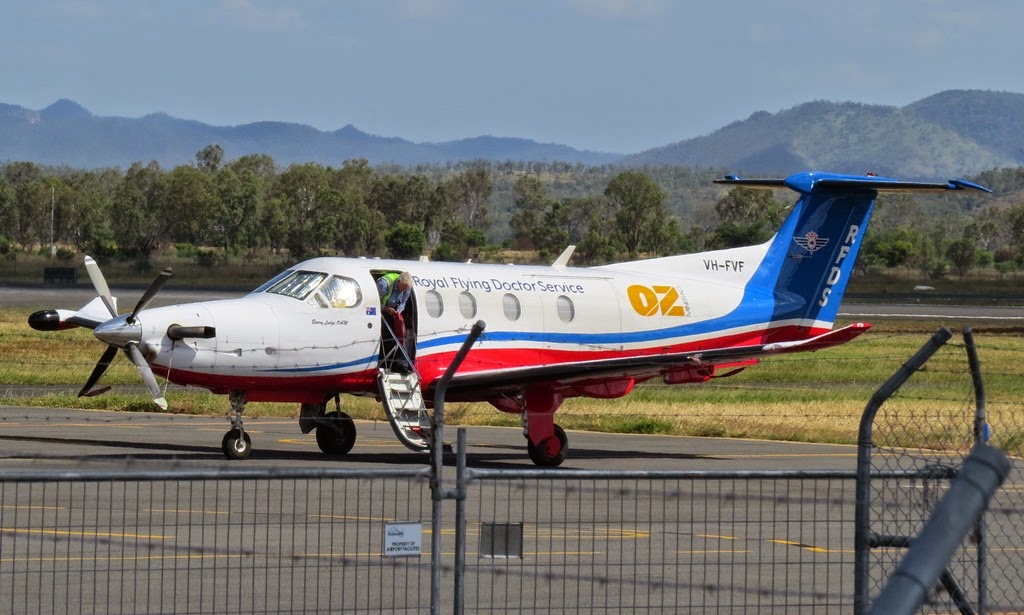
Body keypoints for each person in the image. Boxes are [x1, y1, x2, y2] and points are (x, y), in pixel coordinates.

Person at [376, 271, 413, 350]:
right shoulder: (384, 284)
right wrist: (385, 308)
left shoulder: (407, 287)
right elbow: (373, 303)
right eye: (403, 288)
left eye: (406, 289)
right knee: (384, 334)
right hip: (381, 312)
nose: (403, 291)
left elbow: (403, 302)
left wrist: (397, 312)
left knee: (394, 336)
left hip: (393, 312)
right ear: (398, 282)